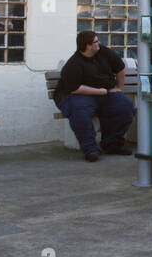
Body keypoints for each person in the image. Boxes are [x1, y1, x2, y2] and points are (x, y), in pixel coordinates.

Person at [53, 30, 134, 161]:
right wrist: (101, 91)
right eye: (96, 42)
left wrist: (118, 88)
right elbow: (74, 89)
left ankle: (111, 144)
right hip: (76, 95)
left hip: (104, 93)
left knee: (125, 107)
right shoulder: (73, 64)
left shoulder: (103, 52)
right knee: (79, 112)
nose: (99, 43)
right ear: (88, 46)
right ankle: (90, 149)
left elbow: (120, 67)